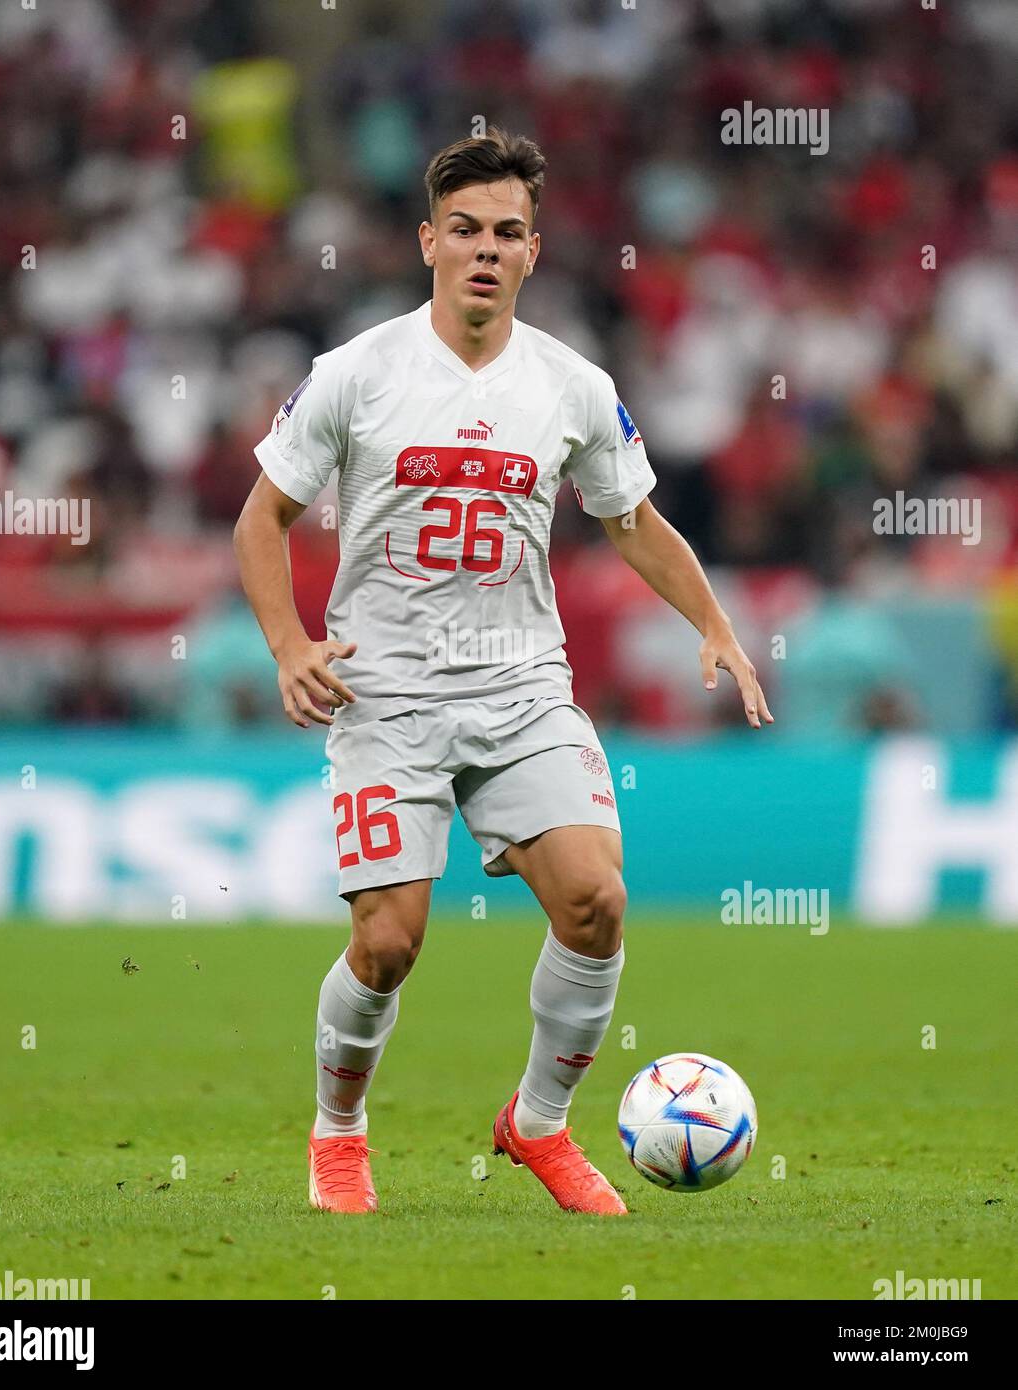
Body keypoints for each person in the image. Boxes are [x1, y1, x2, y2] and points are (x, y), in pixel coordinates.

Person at [233, 127, 772, 1215]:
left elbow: (633, 522)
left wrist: (713, 622)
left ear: (534, 251)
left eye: (508, 233)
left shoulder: (571, 386)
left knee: (596, 904)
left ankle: (536, 1125)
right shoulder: (355, 373)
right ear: (428, 240)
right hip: (384, 696)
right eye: (466, 230)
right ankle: (339, 1131)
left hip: (523, 689)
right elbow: (261, 518)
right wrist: (290, 645)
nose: (486, 249)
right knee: (386, 944)